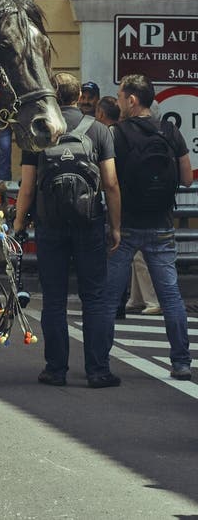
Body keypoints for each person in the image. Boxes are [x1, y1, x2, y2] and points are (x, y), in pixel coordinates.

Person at [13, 72, 121, 388]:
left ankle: (56, 369)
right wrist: (115, 227)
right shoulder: (100, 131)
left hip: (51, 225)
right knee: (96, 298)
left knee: (54, 299)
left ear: (52, 95)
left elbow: (28, 188)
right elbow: (111, 184)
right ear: (77, 97)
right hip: (89, 223)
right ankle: (98, 370)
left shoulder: (39, 131)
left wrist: (19, 223)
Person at [105, 73, 193, 381]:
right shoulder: (170, 130)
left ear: (131, 100)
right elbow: (186, 178)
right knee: (170, 296)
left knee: (109, 296)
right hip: (161, 225)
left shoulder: (116, 133)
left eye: (119, 97)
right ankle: (181, 362)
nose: (118, 102)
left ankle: (99, 362)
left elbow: (110, 180)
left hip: (126, 225)